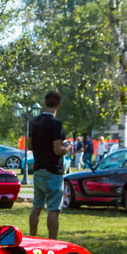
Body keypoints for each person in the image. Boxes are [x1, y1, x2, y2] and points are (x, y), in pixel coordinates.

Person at [27, 91, 72, 239]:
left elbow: (29, 145)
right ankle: (52, 241)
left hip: (38, 168)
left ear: (45, 102)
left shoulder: (34, 122)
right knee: (53, 209)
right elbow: (58, 150)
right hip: (53, 170)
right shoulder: (55, 123)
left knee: (37, 206)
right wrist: (68, 148)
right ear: (59, 104)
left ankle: (33, 238)